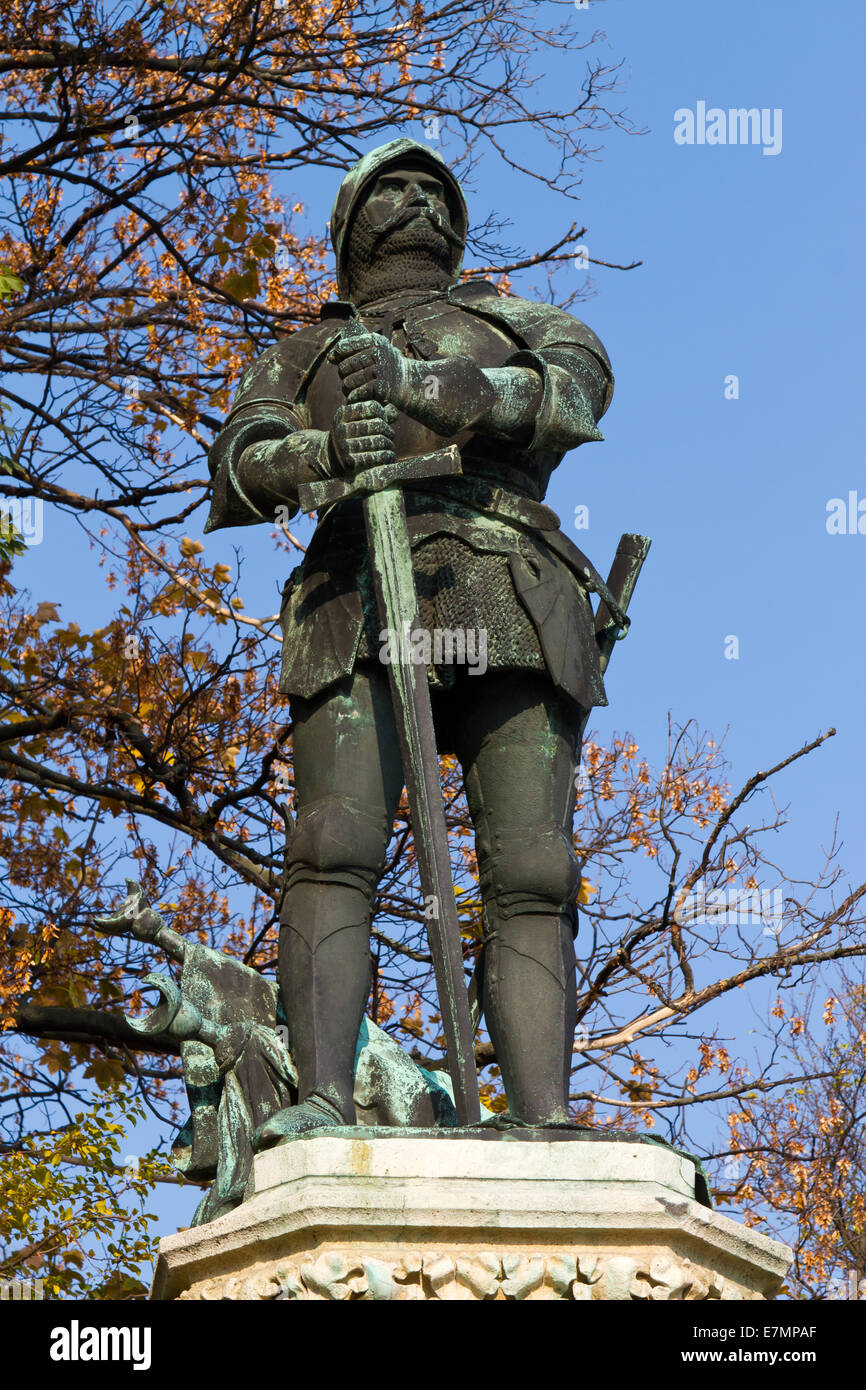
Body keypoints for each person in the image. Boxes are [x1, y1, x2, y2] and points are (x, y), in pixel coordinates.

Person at [205, 138, 616, 1140]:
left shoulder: (518, 323)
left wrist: (421, 387)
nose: (415, 197)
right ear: (348, 228)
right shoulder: (298, 351)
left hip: (506, 576)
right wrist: (326, 446)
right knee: (332, 842)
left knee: (532, 866)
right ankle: (324, 1100)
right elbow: (238, 466)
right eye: (391, 186)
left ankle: (543, 1115)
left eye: (431, 187)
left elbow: (566, 398)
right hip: (355, 588)